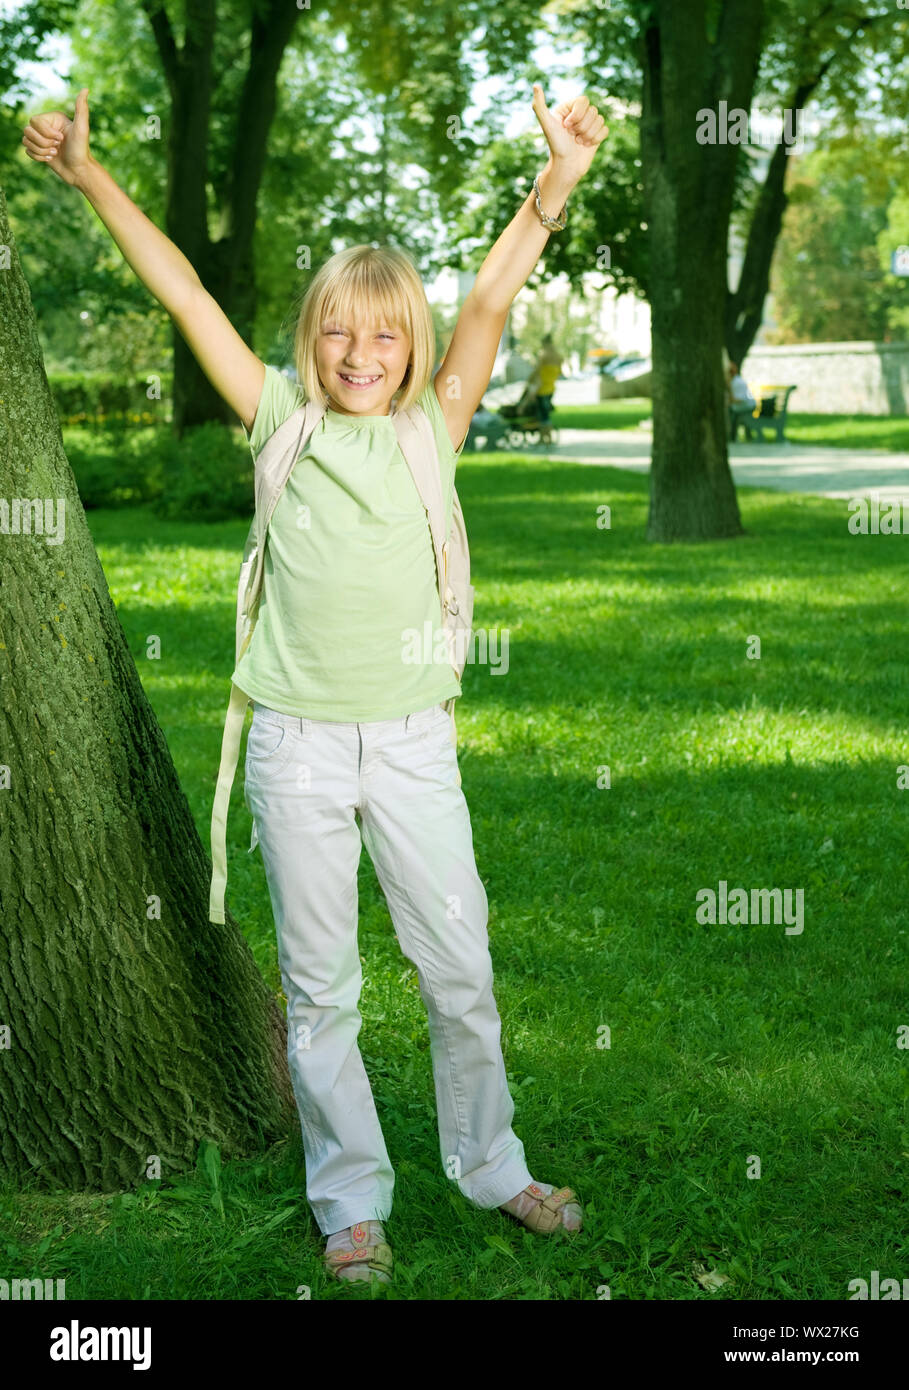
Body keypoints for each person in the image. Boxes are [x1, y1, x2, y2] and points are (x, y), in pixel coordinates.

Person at [23, 80, 607, 1286]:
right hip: (294, 745)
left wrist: (556, 181)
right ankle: (350, 1199)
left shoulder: (431, 426)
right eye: (339, 329)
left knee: (460, 964)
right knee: (320, 987)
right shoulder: (277, 416)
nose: (360, 352)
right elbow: (183, 288)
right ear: (310, 339)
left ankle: (492, 1163)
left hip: (408, 743)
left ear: (417, 349)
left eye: (386, 332)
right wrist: (87, 175)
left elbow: (494, 292)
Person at [529, 332, 563, 440]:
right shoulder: (558, 356)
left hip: (541, 388)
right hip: (551, 388)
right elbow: (559, 372)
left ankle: (545, 437)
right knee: (545, 413)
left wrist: (530, 379)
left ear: (545, 343)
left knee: (542, 415)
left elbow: (537, 370)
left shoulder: (543, 354)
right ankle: (546, 437)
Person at [726, 360, 756, 439]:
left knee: (733, 416)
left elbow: (740, 400)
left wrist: (730, 398)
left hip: (748, 407)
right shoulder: (734, 382)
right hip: (741, 406)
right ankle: (735, 436)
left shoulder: (738, 383)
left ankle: (733, 437)